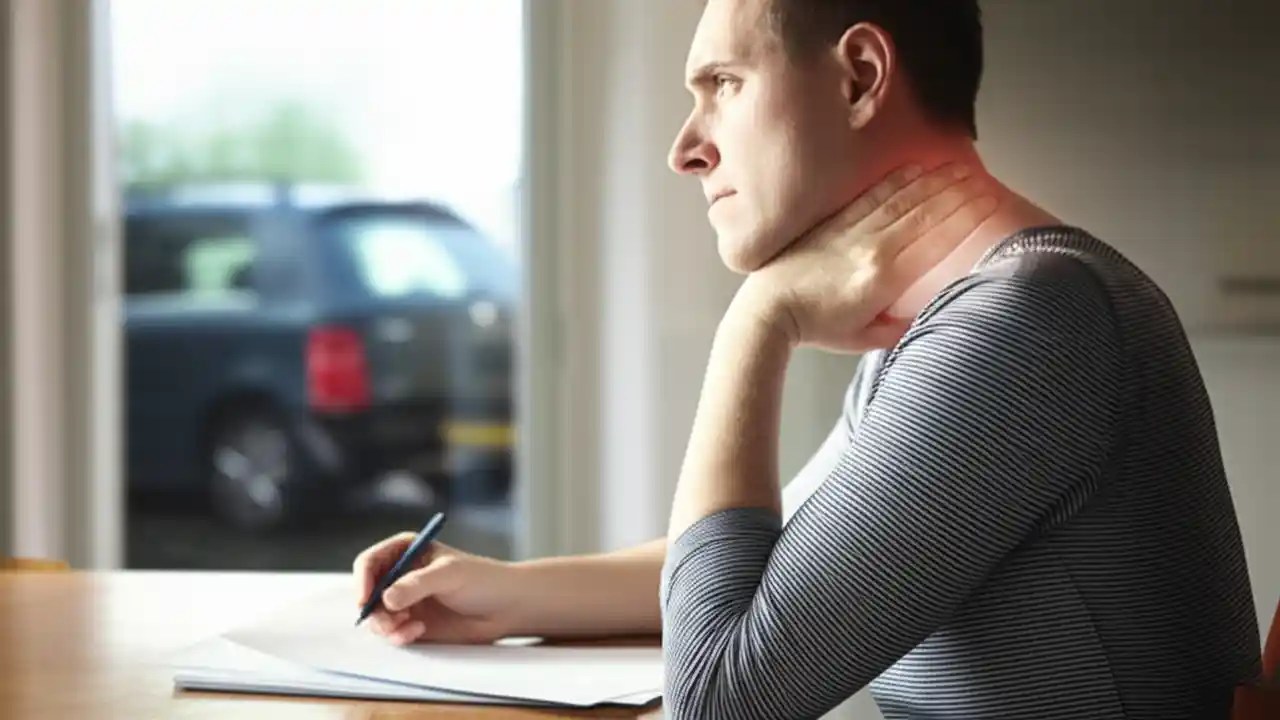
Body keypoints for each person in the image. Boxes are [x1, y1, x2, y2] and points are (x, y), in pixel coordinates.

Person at [353, 0, 1262, 717]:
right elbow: (776, 572)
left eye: (723, 83)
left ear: (861, 76)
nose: (686, 147)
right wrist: (497, 595)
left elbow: (723, 698)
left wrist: (756, 323)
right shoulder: (969, 315)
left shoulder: (1027, 323)